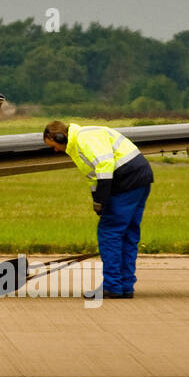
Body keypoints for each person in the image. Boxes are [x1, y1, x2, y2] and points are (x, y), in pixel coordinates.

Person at [42, 121, 153, 299]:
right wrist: (97, 201)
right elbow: (93, 177)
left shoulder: (84, 139)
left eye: (53, 146)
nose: (55, 150)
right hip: (140, 179)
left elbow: (105, 165)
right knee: (128, 234)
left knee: (110, 233)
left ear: (59, 137)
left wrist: (102, 199)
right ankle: (125, 286)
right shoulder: (79, 144)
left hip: (126, 181)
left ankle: (112, 286)